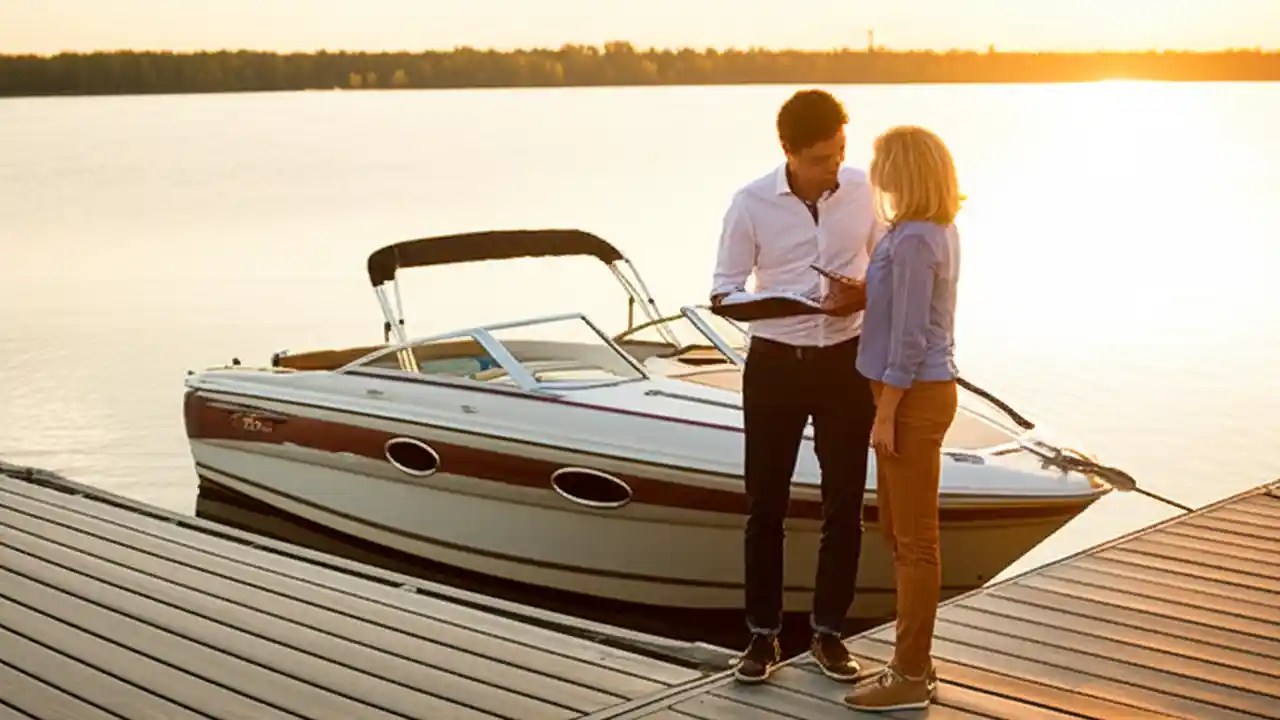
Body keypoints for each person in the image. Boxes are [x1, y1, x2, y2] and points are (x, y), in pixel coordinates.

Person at [710, 89, 880, 684]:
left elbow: (884, 267)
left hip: (845, 361)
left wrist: (860, 295)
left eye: (839, 153)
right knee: (766, 505)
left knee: (845, 503)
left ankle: (829, 634)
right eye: (820, 159)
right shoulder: (750, 203)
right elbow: (725, 292)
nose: (834, 168)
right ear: (788, 152)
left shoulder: (863, 190)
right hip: (776, 363)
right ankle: (762, 637)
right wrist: (784, 303)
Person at [843, 125, 962, 712]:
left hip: (912, 399)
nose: (873, 169)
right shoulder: (917, 231)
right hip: (908, 397)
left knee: (914, 544)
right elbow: (901, 308)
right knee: (898, 533)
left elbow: (912, 336)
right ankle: (916, 662)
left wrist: (886, 410)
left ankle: (910, 675)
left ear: (905, 169)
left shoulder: (916, 239)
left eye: (881, 160)